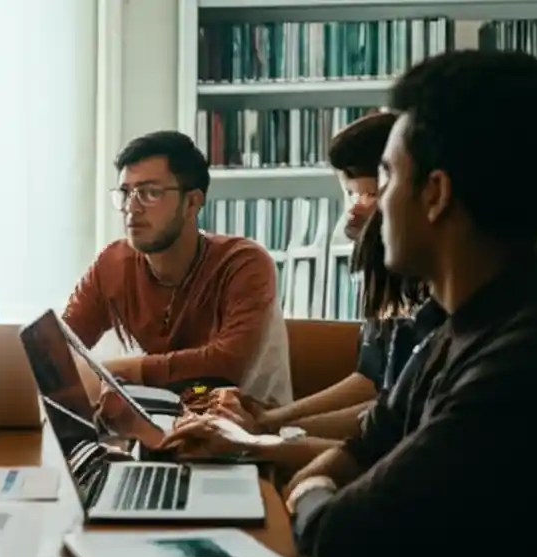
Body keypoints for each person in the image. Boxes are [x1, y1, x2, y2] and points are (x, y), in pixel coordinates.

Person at [288, 50, 537, 557]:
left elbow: (345, 531)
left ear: (435, 194)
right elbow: (355, 455)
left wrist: (314, 489)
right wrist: (327, 483)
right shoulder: (448, 333)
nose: (374, 204)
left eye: (388, 175)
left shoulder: (517, 363)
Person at [162, 114, 442, 479]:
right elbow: (374, 388)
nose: (355, 208)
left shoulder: (439, 307)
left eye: (371, 193)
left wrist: (266, 433)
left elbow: (384, 425)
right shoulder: (393, 284)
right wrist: (269, 422)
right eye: (350, 193)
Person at [65, 131, 292, 410]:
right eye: (125, 193)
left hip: (245, 429)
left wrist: (118, 369)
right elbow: (62, 345)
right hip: (160, 418)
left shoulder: (244, 263)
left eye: (150, 193)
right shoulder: (112, 264)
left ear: (192, 202)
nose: (131, 208)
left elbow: (227, 365)